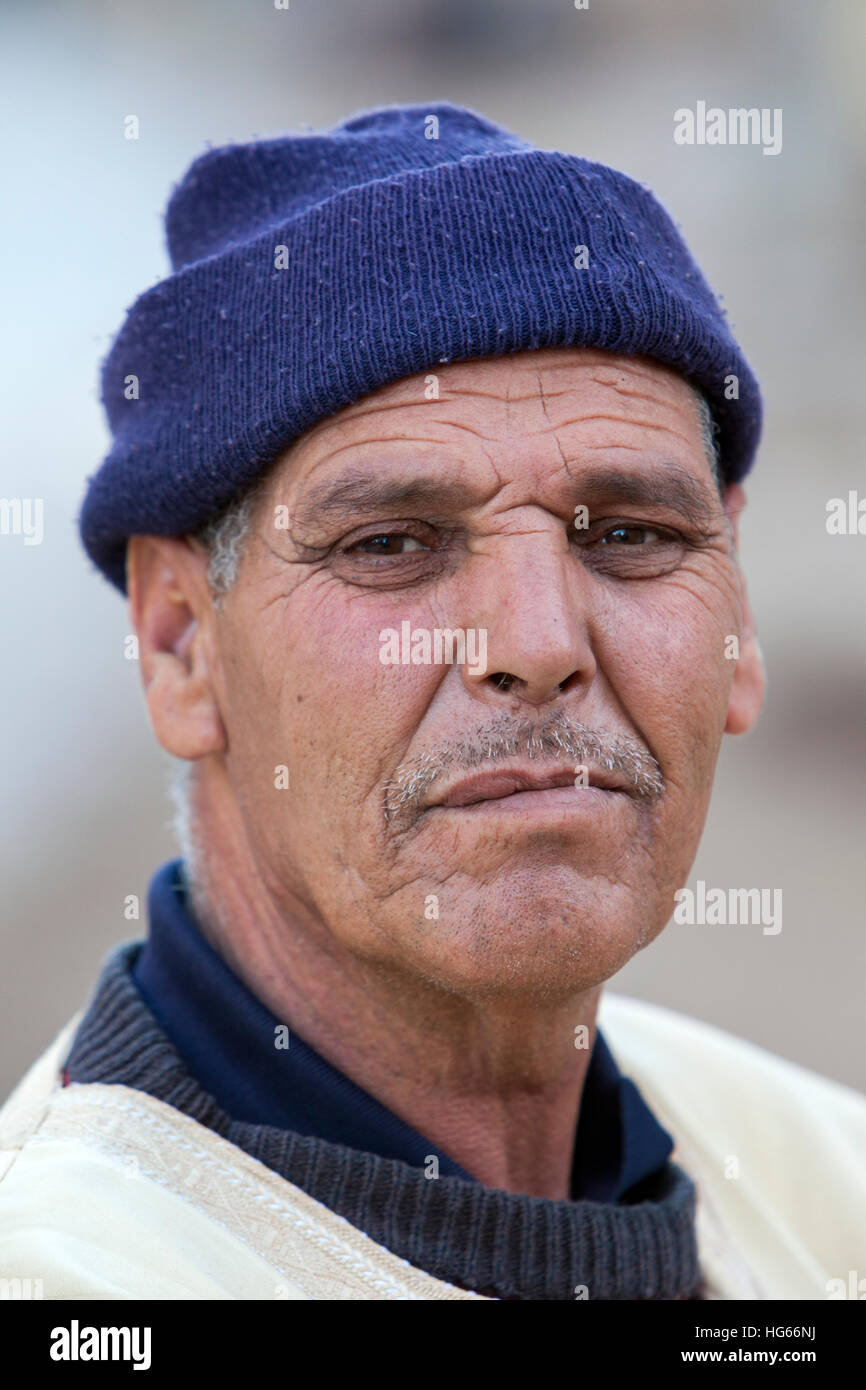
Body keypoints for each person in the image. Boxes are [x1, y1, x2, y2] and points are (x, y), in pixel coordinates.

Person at [1, 101, 862, 1301]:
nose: (537, 643)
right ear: (180, 643)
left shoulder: (822, 1183)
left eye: (627, 534)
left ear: (739, 624)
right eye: (394, 544)